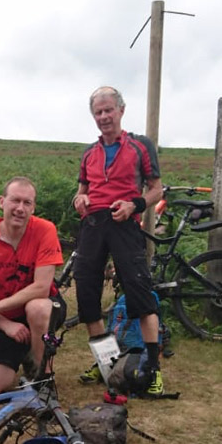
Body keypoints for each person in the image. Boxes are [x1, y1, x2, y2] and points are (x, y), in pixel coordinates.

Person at [73, 85, 168, 396]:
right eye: (98, 112)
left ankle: (152, 368)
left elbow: (156, 189)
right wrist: (80, 200)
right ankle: (109, 365)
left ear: (121, 111)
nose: (103, 117)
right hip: (92, 225)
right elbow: (82, 190)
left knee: (140, 292)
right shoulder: (89, 152)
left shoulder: (140, 146)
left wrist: (134, 205)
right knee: (87, 294)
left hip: (124, 223)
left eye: (108, 110)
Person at [0, 177, 64, 396]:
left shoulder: (45, 230)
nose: (20, 208)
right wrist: (5, 324)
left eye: (27, 203)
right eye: (15, 201)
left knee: (36, 308)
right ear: (2, 202)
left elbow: (42, 288)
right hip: (10, 316)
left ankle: (44, 378)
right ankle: (27, 355)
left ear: (33, 207)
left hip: (47, 306)